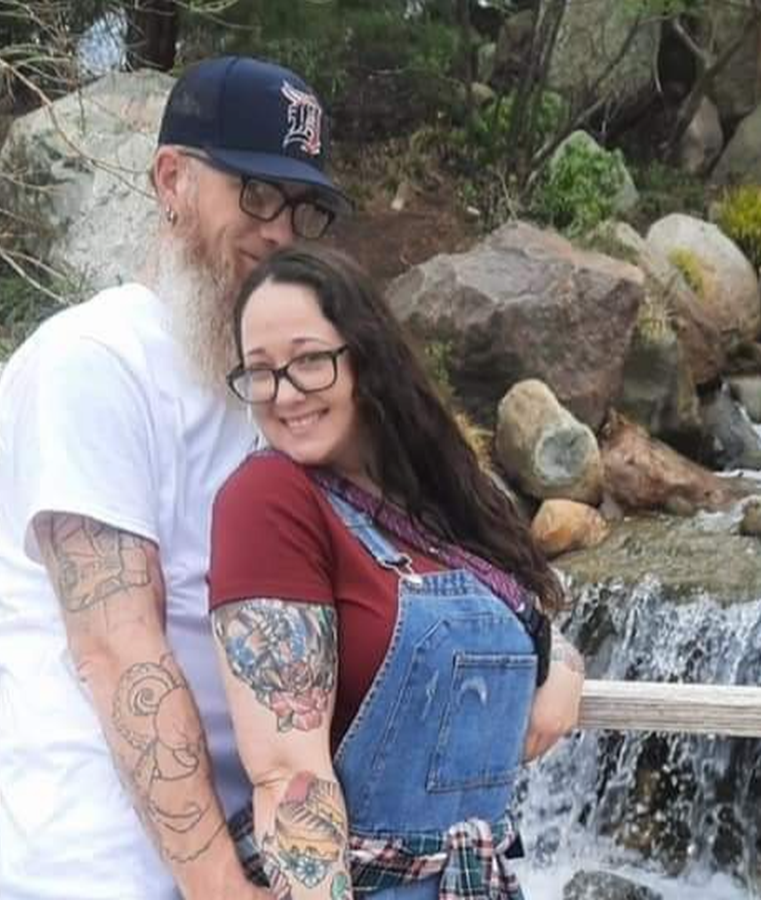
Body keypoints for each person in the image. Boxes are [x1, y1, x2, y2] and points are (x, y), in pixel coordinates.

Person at [0, 57, 351, 900]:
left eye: (304, 207)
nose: (281, 232)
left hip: (247, 853)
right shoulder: (93, 360)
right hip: (101, 874)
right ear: (172, 181)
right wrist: (223, 888)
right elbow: (119, 653)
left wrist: (542, 651)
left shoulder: (274, 391)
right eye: (256, 194)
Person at [206, 245, 586, 899]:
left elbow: (519, 615)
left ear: (365, 356)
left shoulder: (445, 501)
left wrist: (565, 669)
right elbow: (287, 777)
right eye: (260, 372)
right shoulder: (268, 500)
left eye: (308, 361)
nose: (284, 394)